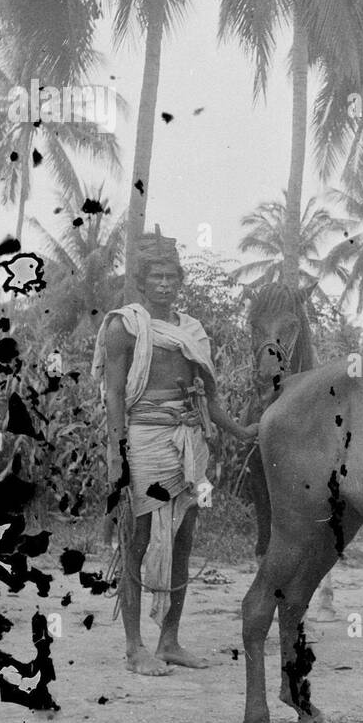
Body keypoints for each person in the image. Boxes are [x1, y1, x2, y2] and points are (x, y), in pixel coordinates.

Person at [93, 230, 257, 676]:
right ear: (142, 281)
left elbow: (208, 396)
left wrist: (242, 431)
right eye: (156, 276)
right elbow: (112, 396)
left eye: (171, 276)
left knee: (183, 539)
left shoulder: (192, 331)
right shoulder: (123, 326)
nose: (164, 283)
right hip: (143, 440)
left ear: (179, 280)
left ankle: (169, 640)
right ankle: (133, 648)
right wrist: (115, 453)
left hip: (188, 444)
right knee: (138, 541)